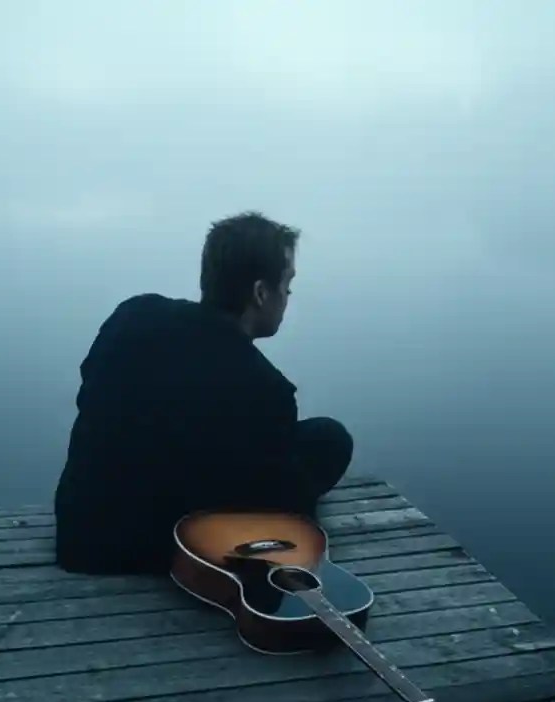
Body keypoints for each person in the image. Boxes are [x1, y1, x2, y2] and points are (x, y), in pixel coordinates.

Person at [53, 211, 354, 575]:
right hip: (153, 552)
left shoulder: (132, 314)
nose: (288, 296)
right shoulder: (266, 390)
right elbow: (288, 513)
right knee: (329, 439)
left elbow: (91, 392)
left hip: (80, 537)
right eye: (287, 285)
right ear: (261, 293)